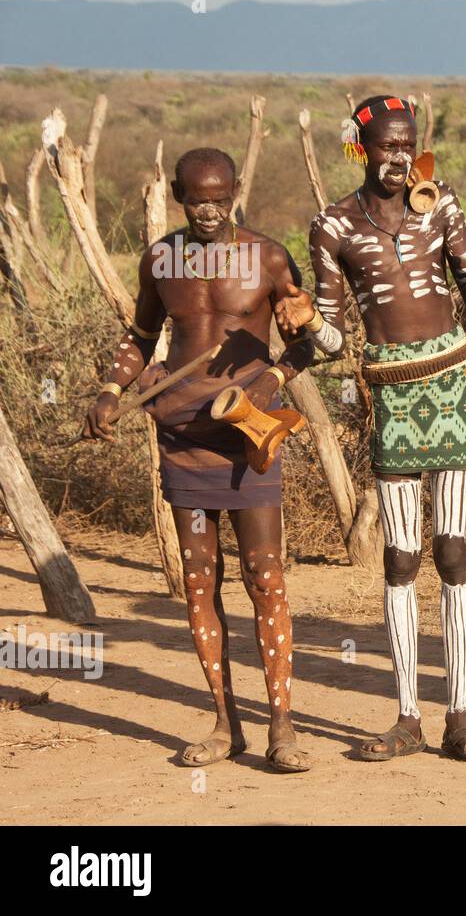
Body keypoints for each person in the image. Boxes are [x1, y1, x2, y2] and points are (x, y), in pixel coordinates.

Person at [277, 95, 466, 762]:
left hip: (451, 384)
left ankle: (460, 715)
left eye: (406, 145)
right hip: (391, 394)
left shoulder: (442, 208)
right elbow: (331, 338)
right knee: (400, 557)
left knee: (454, 550)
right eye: (385, 146)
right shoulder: (332, 227)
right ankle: (408, 716)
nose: (398, 158)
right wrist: (302, 320)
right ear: (360, 148)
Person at [83, 147, 314, 772]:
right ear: (180, 196)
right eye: (196, 199)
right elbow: (140, 335)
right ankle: (223, 724)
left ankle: (283, 728)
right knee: (197, 580)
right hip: (182, 434)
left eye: (219, 198)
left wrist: (269, 384)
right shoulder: (161, 258)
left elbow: (308, 343)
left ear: (235, 190)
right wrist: (111, 390)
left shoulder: (267, 256)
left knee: (265, 576)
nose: (208, 211)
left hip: (247, 437)